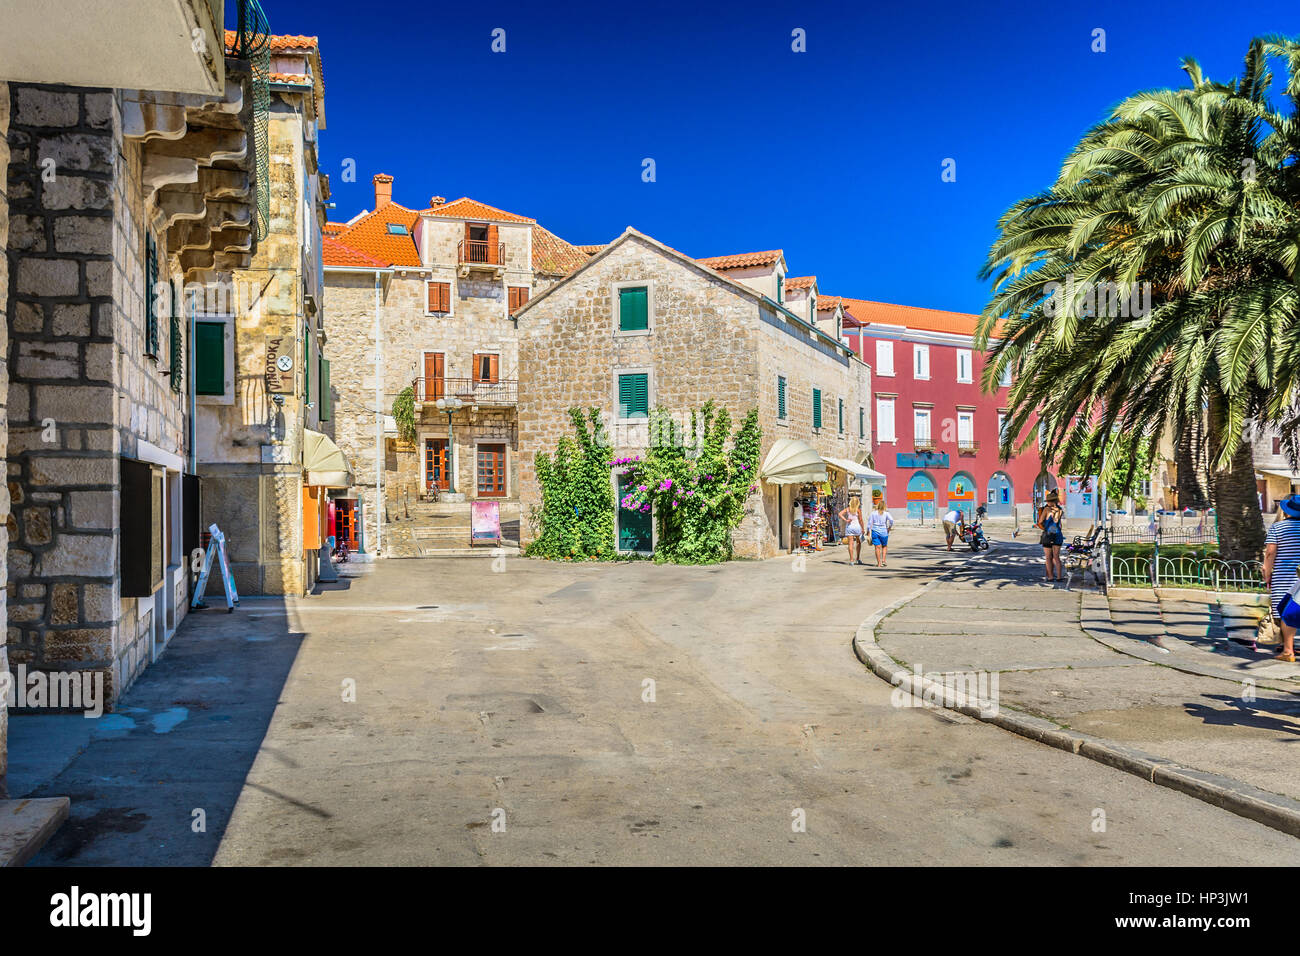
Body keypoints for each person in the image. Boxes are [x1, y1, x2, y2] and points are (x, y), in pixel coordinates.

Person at [1263, 494, 1300, 663]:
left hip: (1284, 577)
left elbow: (1270, 553)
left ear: (1287, 511)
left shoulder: (1278, 528)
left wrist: (1267, 572)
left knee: (1286, 613)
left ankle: (1288, 650)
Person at [1036, 489, 1065, 582]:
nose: (1047, 502)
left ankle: (1051, 577)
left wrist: (1045, 525)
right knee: (1056, 557)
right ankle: (1060, 577)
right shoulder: (1060, 510)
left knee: (1048, 557)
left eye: (1049, 501)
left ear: (1053, 501)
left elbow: (1040, 521)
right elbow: (1059, 524)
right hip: (1058, 535)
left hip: (1048, 535)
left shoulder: (1046, 509)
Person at [838, 494, 865, 565]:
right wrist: (863, 528)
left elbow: (840, 514)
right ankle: (858, 558)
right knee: (858, 542)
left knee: (850, 543)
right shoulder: (858, 510)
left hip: (850, 527)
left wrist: (846, 520)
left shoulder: (847, 509)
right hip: (857, 527)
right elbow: (861, 520)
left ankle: (851, 560)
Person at [868, 499, 894, 567]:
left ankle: (879, 563)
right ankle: (884, 560)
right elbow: (891, 520)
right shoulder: (886, 513)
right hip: (884, 532)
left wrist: (868, 531)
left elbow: (870, 523)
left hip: (875, 531)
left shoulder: (873, 513)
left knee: (877, 547)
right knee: (884, 546)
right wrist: (889, 527)